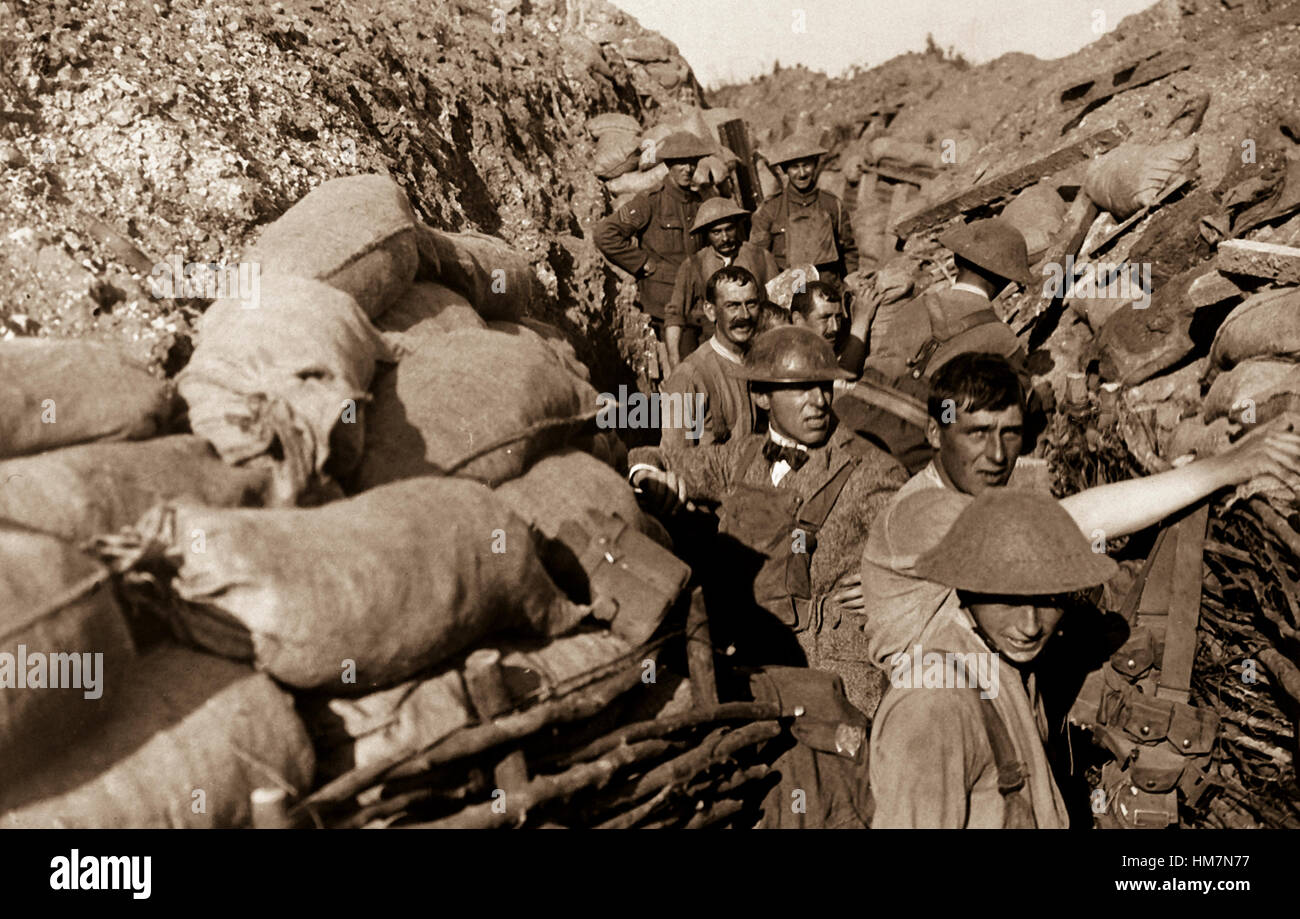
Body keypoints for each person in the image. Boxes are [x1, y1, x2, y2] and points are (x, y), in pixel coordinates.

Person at [860, 351, 1300, 674]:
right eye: (976, 434)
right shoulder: (921, 510)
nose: (996, 454)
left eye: (1010, 433)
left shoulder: (972, 502)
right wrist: (1227, 467)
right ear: (935, 435)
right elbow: (1064, 527)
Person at [630, 325, 908, 713]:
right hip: (747, 660)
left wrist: (889, 585)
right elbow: (648, 456)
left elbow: (927, 546)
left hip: (831, 674)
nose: (819, 402)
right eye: (800, 389)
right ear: (761, 396)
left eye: (824, 386)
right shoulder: (739, 457)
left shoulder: (870, 469)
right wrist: (647, 477)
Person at [869, 489, 1117, 828]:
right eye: (1009, 600)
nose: (1030, 626)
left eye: (1051, 600)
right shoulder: (933, 706)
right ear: (967, 589)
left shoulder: (1009, 666)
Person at [836, 218, 1033, 474]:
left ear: (957, 261)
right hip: (911, 444)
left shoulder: (916, 304)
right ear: (1005, 280)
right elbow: (1018, 406)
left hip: (849, 416)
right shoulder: (1003, 340)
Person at [594, 131, 716, 345]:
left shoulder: (700, 204)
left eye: (692, 163)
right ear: (669, 165)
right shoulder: (650, 201)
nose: (687, 169)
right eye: (681, 163)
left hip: (699, 303)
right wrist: (642, 263)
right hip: (664, 304)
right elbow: (605, 234)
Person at [664, 198, 779, 368]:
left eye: (729, 229)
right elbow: (675, 315)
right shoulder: (694, 265)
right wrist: (674, 360)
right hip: (714, 354)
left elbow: (779, 307)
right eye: (716, 232)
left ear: (737, 226)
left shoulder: (760, 257)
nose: (725, 238)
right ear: (706, 234)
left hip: (758, 349)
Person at [657, 266, 761, 450]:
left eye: (751, 304)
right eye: (733, 305)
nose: (744, 315)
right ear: (710, 311)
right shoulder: (689, 377)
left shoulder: (763, 363)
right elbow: (676, 458)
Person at [751, 135, 858, 289]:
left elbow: (849, 251)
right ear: (785, 169)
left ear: (815, 165)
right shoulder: (770, 209)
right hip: (789, 293)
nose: (801, 173)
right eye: (794, 167)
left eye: (806, 165)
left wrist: (849, 284)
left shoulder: (832, 205)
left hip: (829, 291)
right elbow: (758, 258)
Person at [790, 280, 877, 377]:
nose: (835, 328)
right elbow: (839, 380)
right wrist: (861, 320)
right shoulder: (790, 359)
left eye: (838, 317)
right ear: (798, 320)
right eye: (825, 318)